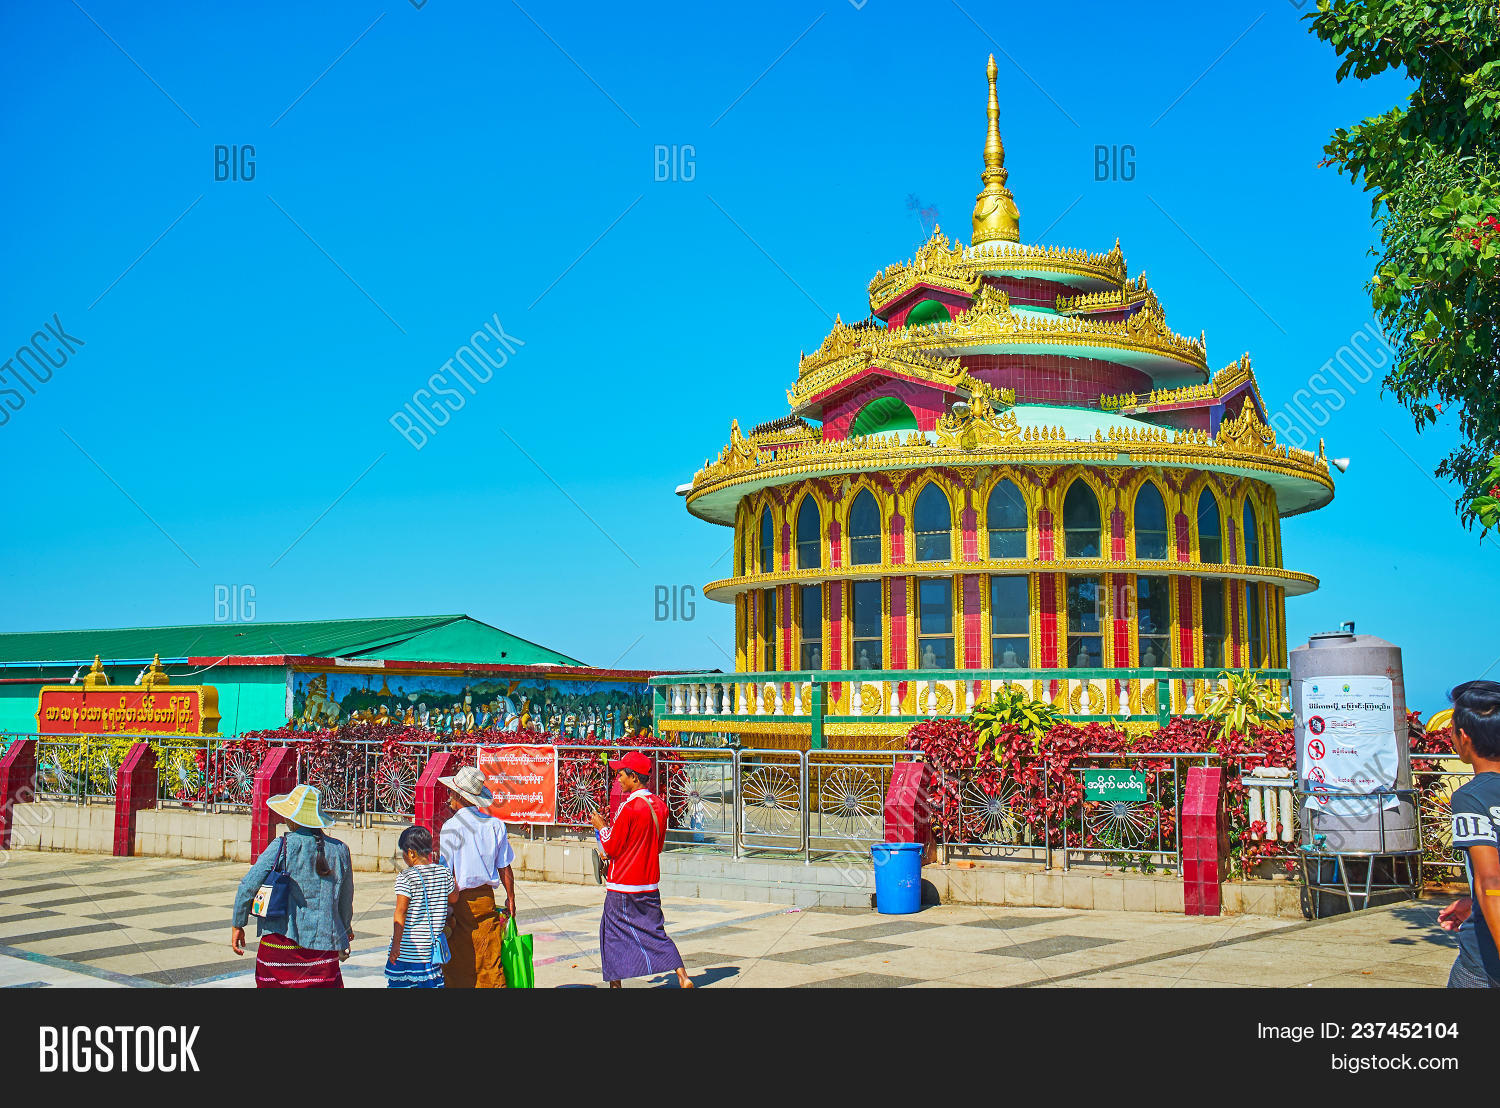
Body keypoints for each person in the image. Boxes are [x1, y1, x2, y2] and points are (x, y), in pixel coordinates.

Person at [230, 784, 354, 988]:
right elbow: (345, 899)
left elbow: (248, 886)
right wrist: (345, 930)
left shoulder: (281, 846)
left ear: (293, 818)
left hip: (279, 945)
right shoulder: (340, 850)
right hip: (323, 949)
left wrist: (238, 923)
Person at [588, 751, 693, 989]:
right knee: (655, 932)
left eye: (621, 774)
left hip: (623, 885)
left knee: (612, 935)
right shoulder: (660, 806)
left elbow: (611, 846)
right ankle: (682, 975)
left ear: (634, 777)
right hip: (649, 883)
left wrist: (602, 826)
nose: (618, 779)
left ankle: (615, 985)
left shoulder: (629, 807)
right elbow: (657, 845)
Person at [1437, 679, 1500, 987]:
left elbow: (1491, 882)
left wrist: (1483, 899)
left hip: (1485, 964)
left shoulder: (1470, 798)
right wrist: (1474, 904)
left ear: (1464, 736)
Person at [438, 764, 516, 988]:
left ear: (459, 796)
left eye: (452, 793)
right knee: (490, 962)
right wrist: (511, 898)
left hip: (458, 904)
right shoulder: (495, 825)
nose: (449, 797)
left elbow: (446, 873)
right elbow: (505, 867)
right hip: (486, 902)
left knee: (458, 967)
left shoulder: (450, 827)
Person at [386, 825, 458, 988]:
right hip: (430, 950)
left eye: (403, 853)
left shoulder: (406, 877)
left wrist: (396, 945)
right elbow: (454, 898)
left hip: (408, 950)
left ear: (411, 853)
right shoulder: (443, 873)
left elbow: (400, 913)